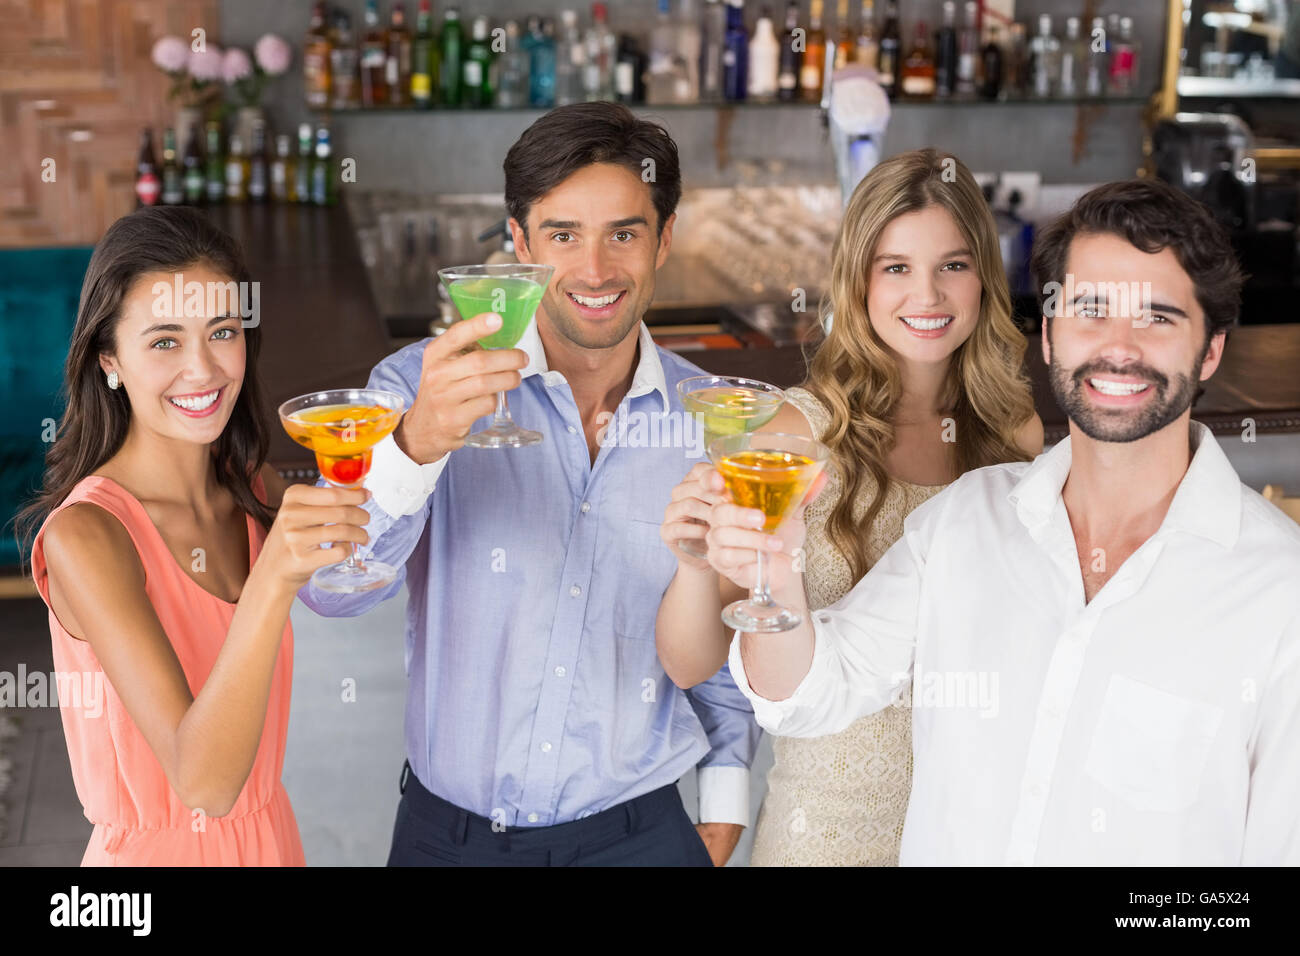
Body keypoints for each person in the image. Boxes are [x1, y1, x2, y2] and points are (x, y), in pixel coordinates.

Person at [706, 178, 1300, 865]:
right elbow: (806, 695)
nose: (1118, 346)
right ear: (1049, 335)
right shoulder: (964, 520)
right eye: (1091, 309)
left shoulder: (1280, 594)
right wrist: (776, 567)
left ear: (1211, 350)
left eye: (1158, 317)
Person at [299, 102, 760, 867]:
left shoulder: (710, 419)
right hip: (450, 840)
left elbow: (728, 623)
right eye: (563, 234)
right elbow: (330, 589)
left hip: (638, 834)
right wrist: (414, 447)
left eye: (625, 233)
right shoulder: (418, 387)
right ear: (518, 243)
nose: (596, 270)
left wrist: (725, 797)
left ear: (665, 239)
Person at [655, 149, 1042, 865]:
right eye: (895, 267)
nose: (926, 295)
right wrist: (692, 566)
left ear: (984, 279)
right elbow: (688, 664)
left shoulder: (1014, 437)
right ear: (857, 280)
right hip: (825, 835)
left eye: (952, 266)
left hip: (977, 832)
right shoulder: (790, 438)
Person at [19, 206, 369, 865]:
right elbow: (204, 784)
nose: (204, 369)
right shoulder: (87, 536)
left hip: (270, 843)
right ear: (109, 360)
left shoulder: (251, 488)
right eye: (164, 341)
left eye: (222, 331)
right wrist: (272, 582)